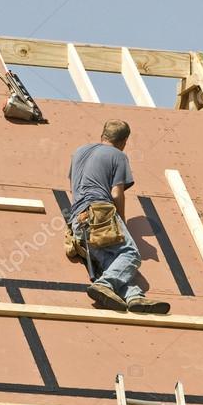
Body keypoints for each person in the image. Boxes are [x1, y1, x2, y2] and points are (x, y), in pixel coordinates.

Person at [69, 120, 170, 314]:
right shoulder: (118, 155)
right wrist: (121, 220)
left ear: (103, 135)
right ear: (124, 141)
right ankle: (105, 284)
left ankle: (134, 297)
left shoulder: (80, 151)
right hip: (100, 211)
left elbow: (73, 185)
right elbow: (116, 193)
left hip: (77, 220)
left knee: (111, 261)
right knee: (130, 254)